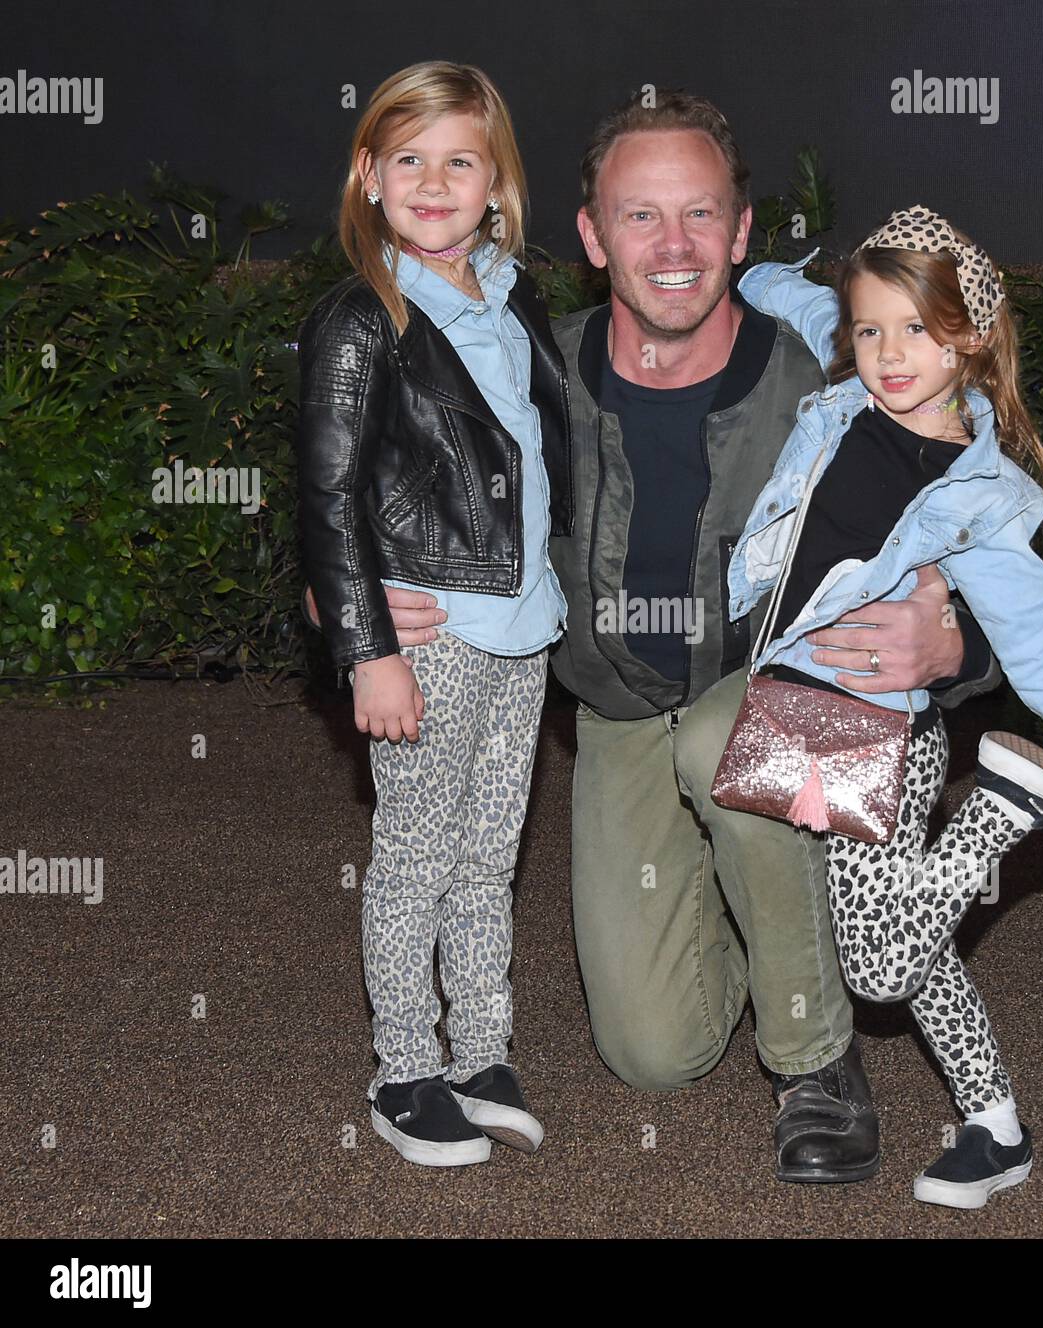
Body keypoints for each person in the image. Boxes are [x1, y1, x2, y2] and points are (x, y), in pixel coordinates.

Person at [341, 95, 1004, 1184]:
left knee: (719, 738)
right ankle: (781, 905)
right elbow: (376, 481)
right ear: (593, 237)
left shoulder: (839, 376)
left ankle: (817, 1059)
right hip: (619, 707)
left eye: (700, 215)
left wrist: (953, 642)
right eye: (639, 218)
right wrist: (352, 597)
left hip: (801, 692)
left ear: (742, 233)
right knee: (653, 1052)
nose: (675, 246)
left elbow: (992, 532)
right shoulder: (528, 369)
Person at [728, 204, 1043, 1207]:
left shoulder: (978, 491)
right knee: (911, 946)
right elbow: (802, 302)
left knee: (874, 967)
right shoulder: (843, 402)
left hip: (879, 729)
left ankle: (1009, 806)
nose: (887, 352)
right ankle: (994, 1126)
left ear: (968, 334)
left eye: (916, 329)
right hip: (802, 710)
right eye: (871, 331)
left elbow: (1031, 627)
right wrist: (747, 273)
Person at [295, 61, 573, 1168]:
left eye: (460, 159)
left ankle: (482, 1050)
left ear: (497, 185)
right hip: (431, 637)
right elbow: (325, 495)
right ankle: (404, 1067)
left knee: (489, 853)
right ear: (367, 176)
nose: (432, 179)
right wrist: (364, 648)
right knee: (414, 853)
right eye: (406, 157)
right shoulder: (360, 318)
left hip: (524, 632)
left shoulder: (515, 298)